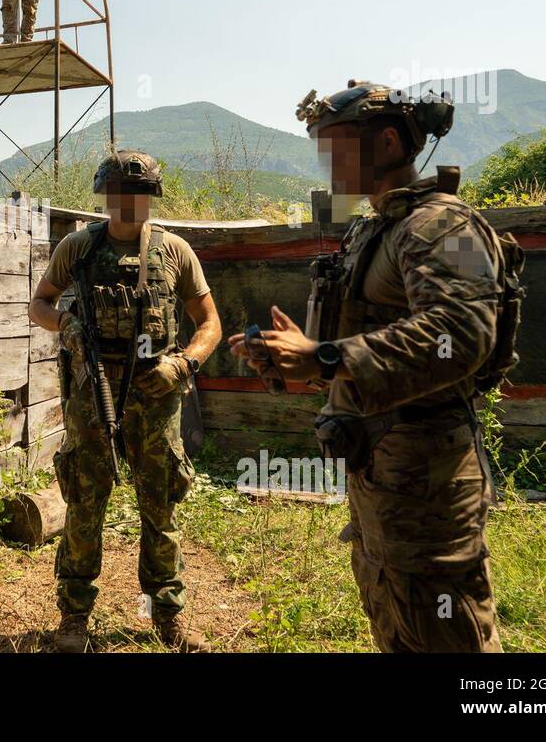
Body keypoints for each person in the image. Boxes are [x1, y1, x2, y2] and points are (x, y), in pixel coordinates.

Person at [229, 80, 519, 652]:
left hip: (428, 475)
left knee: (444, 628)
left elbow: (462, 332)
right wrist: (299, 360)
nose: (325, 163)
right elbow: (362, 342)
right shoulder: (375, 228)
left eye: (335, 148)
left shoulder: (448, 227)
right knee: (395, 615)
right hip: (378, 466)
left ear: (387, 142)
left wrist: (326, 356)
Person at [29, 150, 223, 652]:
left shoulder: (175, 250)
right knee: (84, 505)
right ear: (106, 196)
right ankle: (73, 618)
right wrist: (67, 325)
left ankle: (167, 615)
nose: (128, 202)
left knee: (160, 507)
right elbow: (40, 302)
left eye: (137, 193)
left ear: (150, 195)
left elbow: (209, 323)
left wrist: (184, 364)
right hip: (93, 393)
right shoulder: (78, 247)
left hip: (156, 396)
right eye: (119, 193)